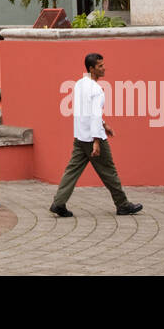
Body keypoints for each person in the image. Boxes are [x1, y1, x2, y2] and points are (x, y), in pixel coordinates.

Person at [49, 52, 143, 218]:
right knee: (109, 172)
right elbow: (94, 115)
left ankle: (58, 203)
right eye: (100, 66)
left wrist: (104, 125)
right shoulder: (97, 90)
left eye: (103, 64)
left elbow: (86, 112)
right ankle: (122, 204)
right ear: (91, 69)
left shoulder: (79, 84)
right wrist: (97, 141)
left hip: (80, 136)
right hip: (92, 138)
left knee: (72, 171)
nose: (104, 68)